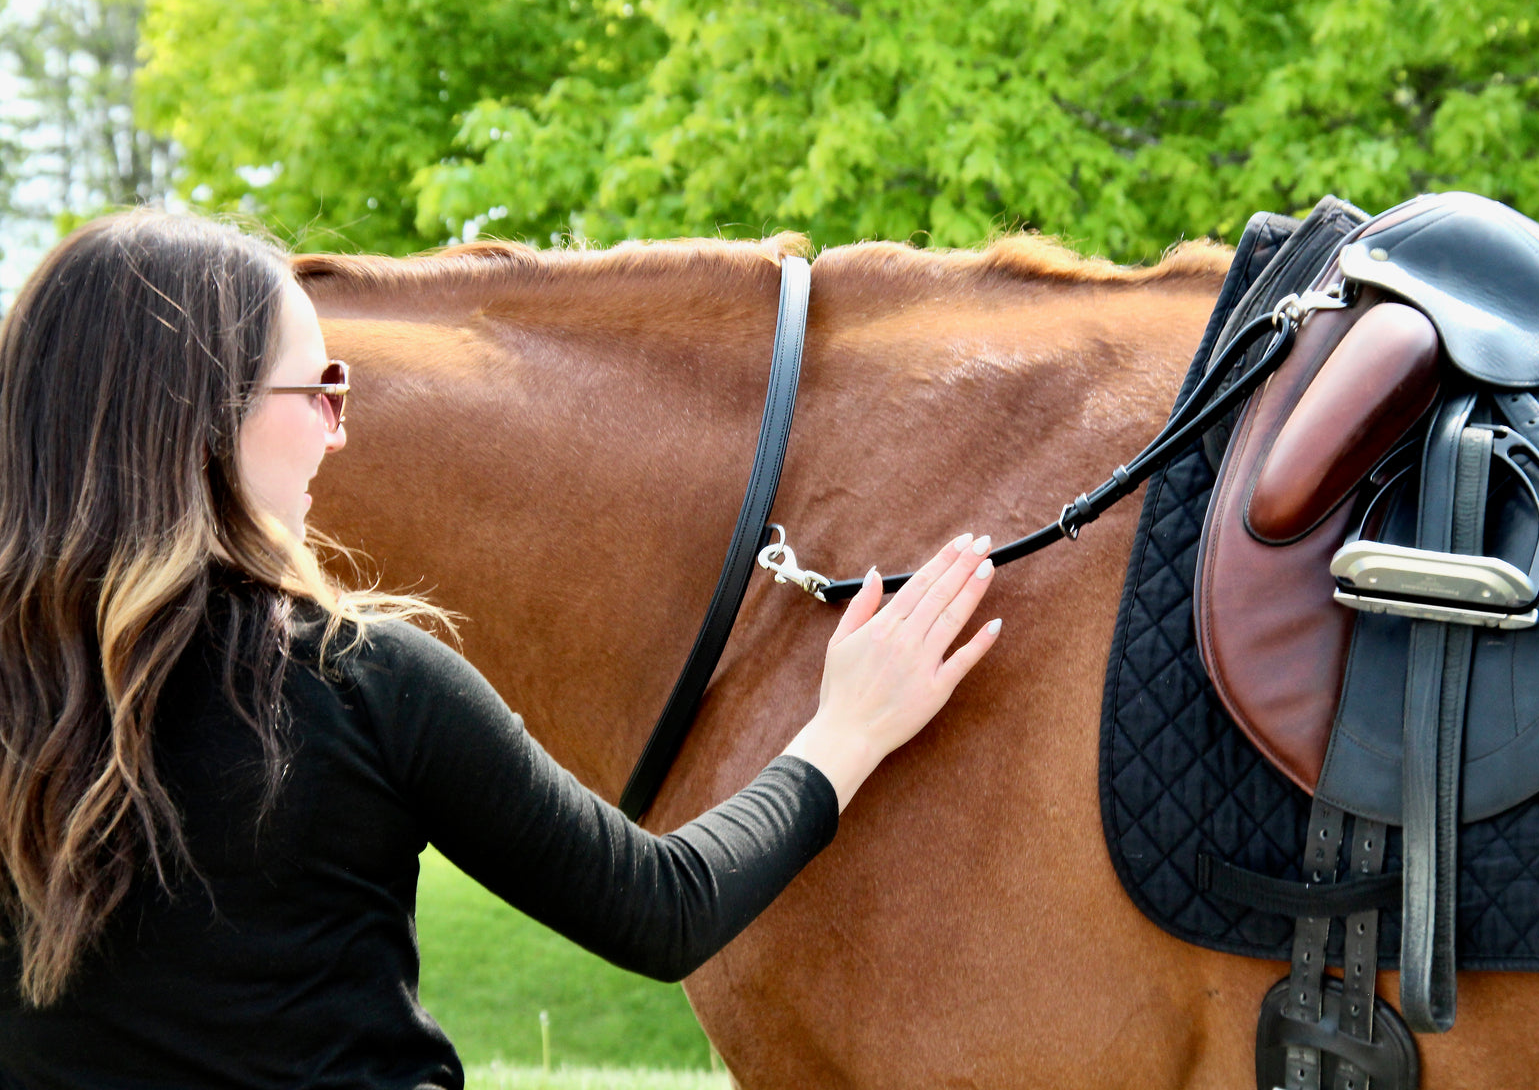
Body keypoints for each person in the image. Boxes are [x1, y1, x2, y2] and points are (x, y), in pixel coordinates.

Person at [0, 211, 1000, 1087]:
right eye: (320, 391)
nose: (337, 434)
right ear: (211, 420)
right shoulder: (361, 681)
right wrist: (848, 729)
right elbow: (663, 908)